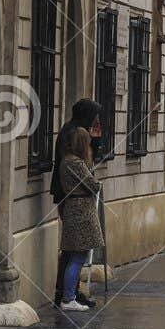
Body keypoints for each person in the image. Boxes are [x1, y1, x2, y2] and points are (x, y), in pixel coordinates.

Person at [51, 98, 102, 307]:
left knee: (74, 251)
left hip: (72, 197)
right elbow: (89, 177)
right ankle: (65, 294)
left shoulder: (75, 131)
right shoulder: (72, 133)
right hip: (73, 201)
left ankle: (69, 292)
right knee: (73, 251)